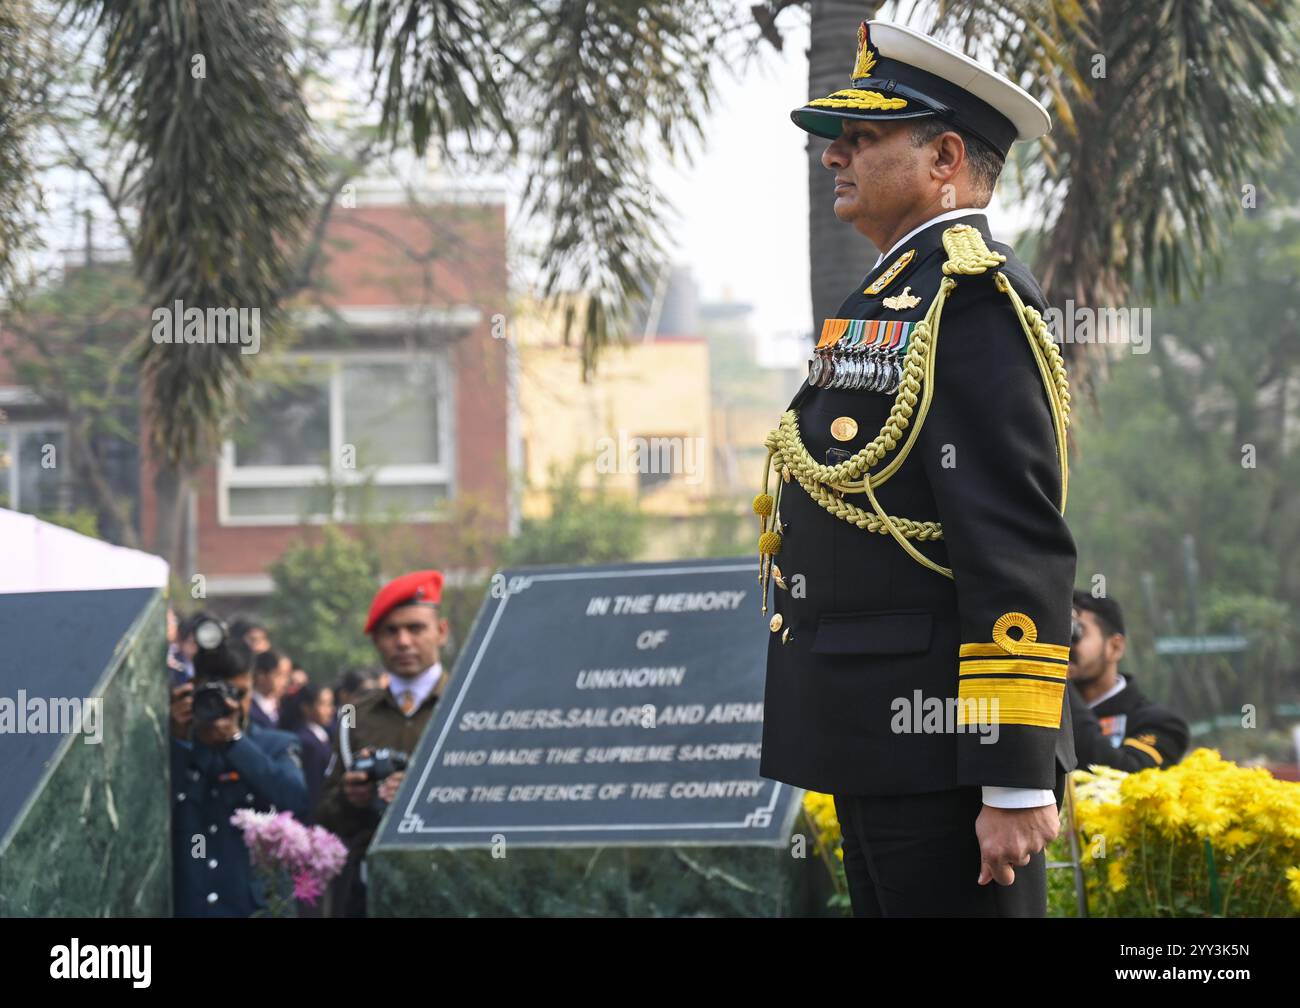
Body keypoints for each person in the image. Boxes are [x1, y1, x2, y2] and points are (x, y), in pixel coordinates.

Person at [758, 20, 1077, 917]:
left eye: (862, 139)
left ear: (943, 156)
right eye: (837, 141)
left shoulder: (973, 301)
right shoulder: (896, 296)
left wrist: (1014, 778)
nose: (834, 159)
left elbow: (1015, 547)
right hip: (876, 737)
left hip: (945, 747)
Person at [316, 570, 451, 916]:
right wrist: (352, 799)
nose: (403, 641)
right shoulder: (353, 717)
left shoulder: (469, 703)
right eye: (390, 631)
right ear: (376, 640)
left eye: (416, 628)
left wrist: (423, 791)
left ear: (441, 632)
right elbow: (324, 818)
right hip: (373, 890)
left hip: (454, 884)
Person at [169, 630, 308, 917]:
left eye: (240, 694)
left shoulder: (276, 745)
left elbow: (295, 801)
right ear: (194, 687)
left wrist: (235, 742)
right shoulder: (174, 746)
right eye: (217, 692)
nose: (230, 705)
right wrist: (179, 743)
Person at [1067, 590, 1189, 771]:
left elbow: (1126, 776)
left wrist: (1054, 679)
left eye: (1074, 632)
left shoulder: (1159, 723)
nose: (1062, 644)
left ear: (1115, 647)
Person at [279, 682, 337, 823]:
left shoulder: (321, 735)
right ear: (306, 708)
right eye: (323, 704)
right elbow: (314, 786)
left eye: (331, 704)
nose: (330, 710)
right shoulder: (307, 741)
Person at [249, 648, 291, 729]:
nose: (285, 682)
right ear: (261, 675)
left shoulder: (282, 709)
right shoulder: (249, 709)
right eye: (279, 675)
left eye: (287, 676)